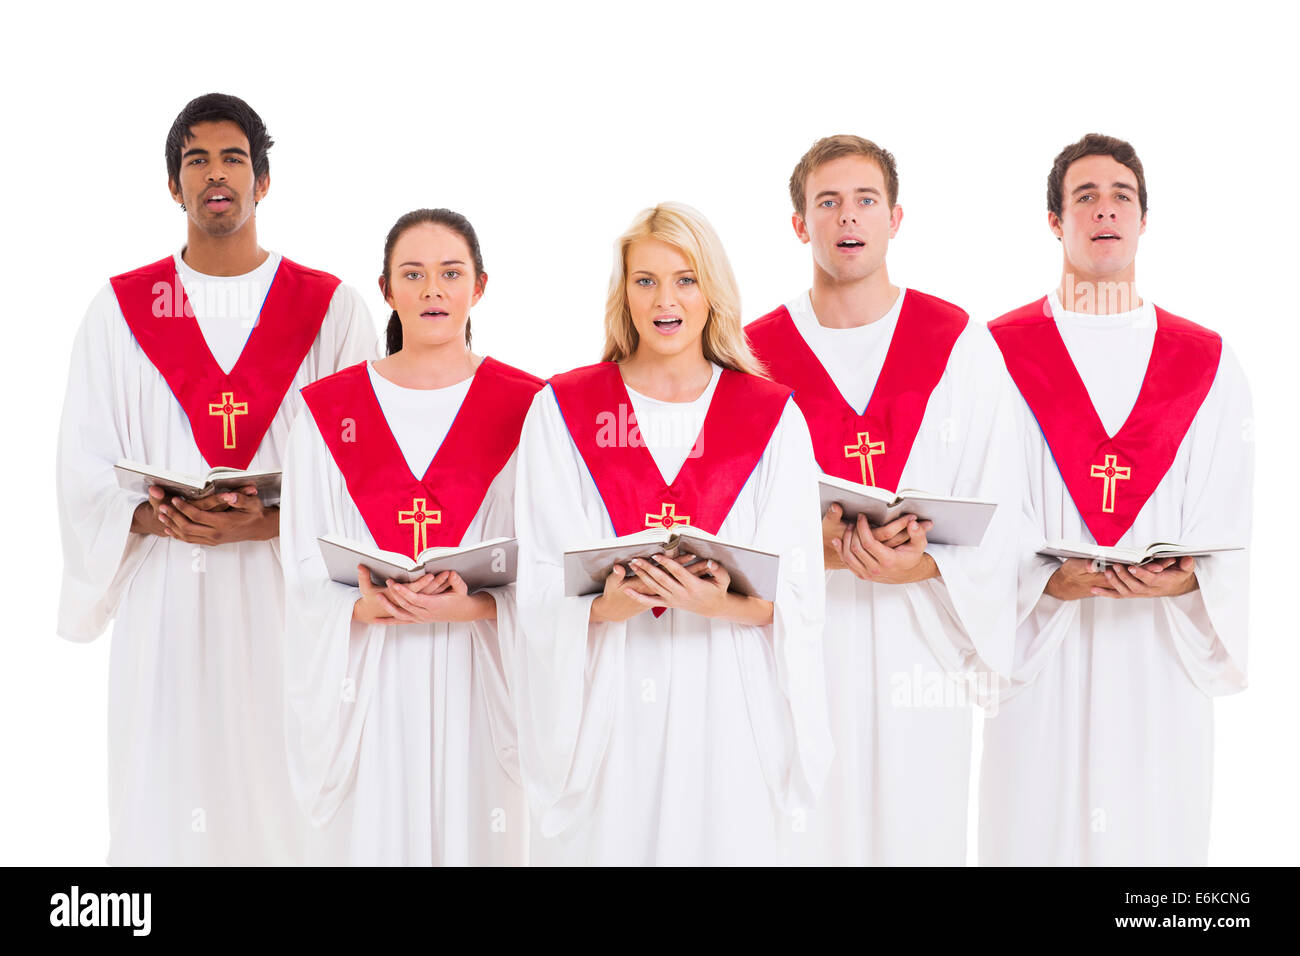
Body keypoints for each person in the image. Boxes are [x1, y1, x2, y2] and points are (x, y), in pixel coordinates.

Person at [55, 93, 377, 864]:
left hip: (285, 591)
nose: (215, 174)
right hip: (169, 594)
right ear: (174, 187)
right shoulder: (122, 310)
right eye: (195, 160)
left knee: (287, 786)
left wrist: (268, 521)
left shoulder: (330, 310)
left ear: (264, 182)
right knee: (169, 784)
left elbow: (369, 464)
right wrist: (149, 517)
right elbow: (82, 461)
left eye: (234, 157)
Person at [512, 202, 831, 865]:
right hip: (610, 693)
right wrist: (607, 606)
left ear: (711, 290)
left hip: (725, 692)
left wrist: (719, 603)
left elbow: (797, 590)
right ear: (623, 293)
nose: (666, 300)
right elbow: (540, 573)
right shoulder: (562, 410)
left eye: (685, 279)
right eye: (646, 280)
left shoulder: (771, 418)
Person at [746, 135, 1022, 865]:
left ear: (896, 218)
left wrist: (925, 567)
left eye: (866, 200)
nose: (848, 217)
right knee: (803, 829)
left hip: (918, 644)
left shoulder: (957, 339)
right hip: (803, 640)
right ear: (800, 224)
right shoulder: (753, 355)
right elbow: (729, 511)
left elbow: (1002, 503)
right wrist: (818, 551)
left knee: (917, 824)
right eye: (827, 202)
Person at [980, 133, 1253, 865]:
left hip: (1159, 651)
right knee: (1034, 823)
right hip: (1044, 641)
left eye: (1121, 197)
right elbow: (977, 504)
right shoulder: (997, 355)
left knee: (1154, 834)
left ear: (1143, 219)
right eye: (1085, 196)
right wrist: (1042, 580)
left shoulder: (1207, 359)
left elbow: (1232, 511)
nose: (1105, 211)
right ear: (1055, 220)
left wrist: (1192, 573)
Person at [281, 208, 541, 865]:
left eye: (450, 273)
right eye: (413, 274)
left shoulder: (529, 406)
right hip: (372, 675)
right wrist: (357, 607)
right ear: (386, 289)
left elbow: (551, 561)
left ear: (479, 287)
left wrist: (477, 605)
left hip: (480, 670)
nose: (432, 290)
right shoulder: (328, 410)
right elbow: (302, 561)